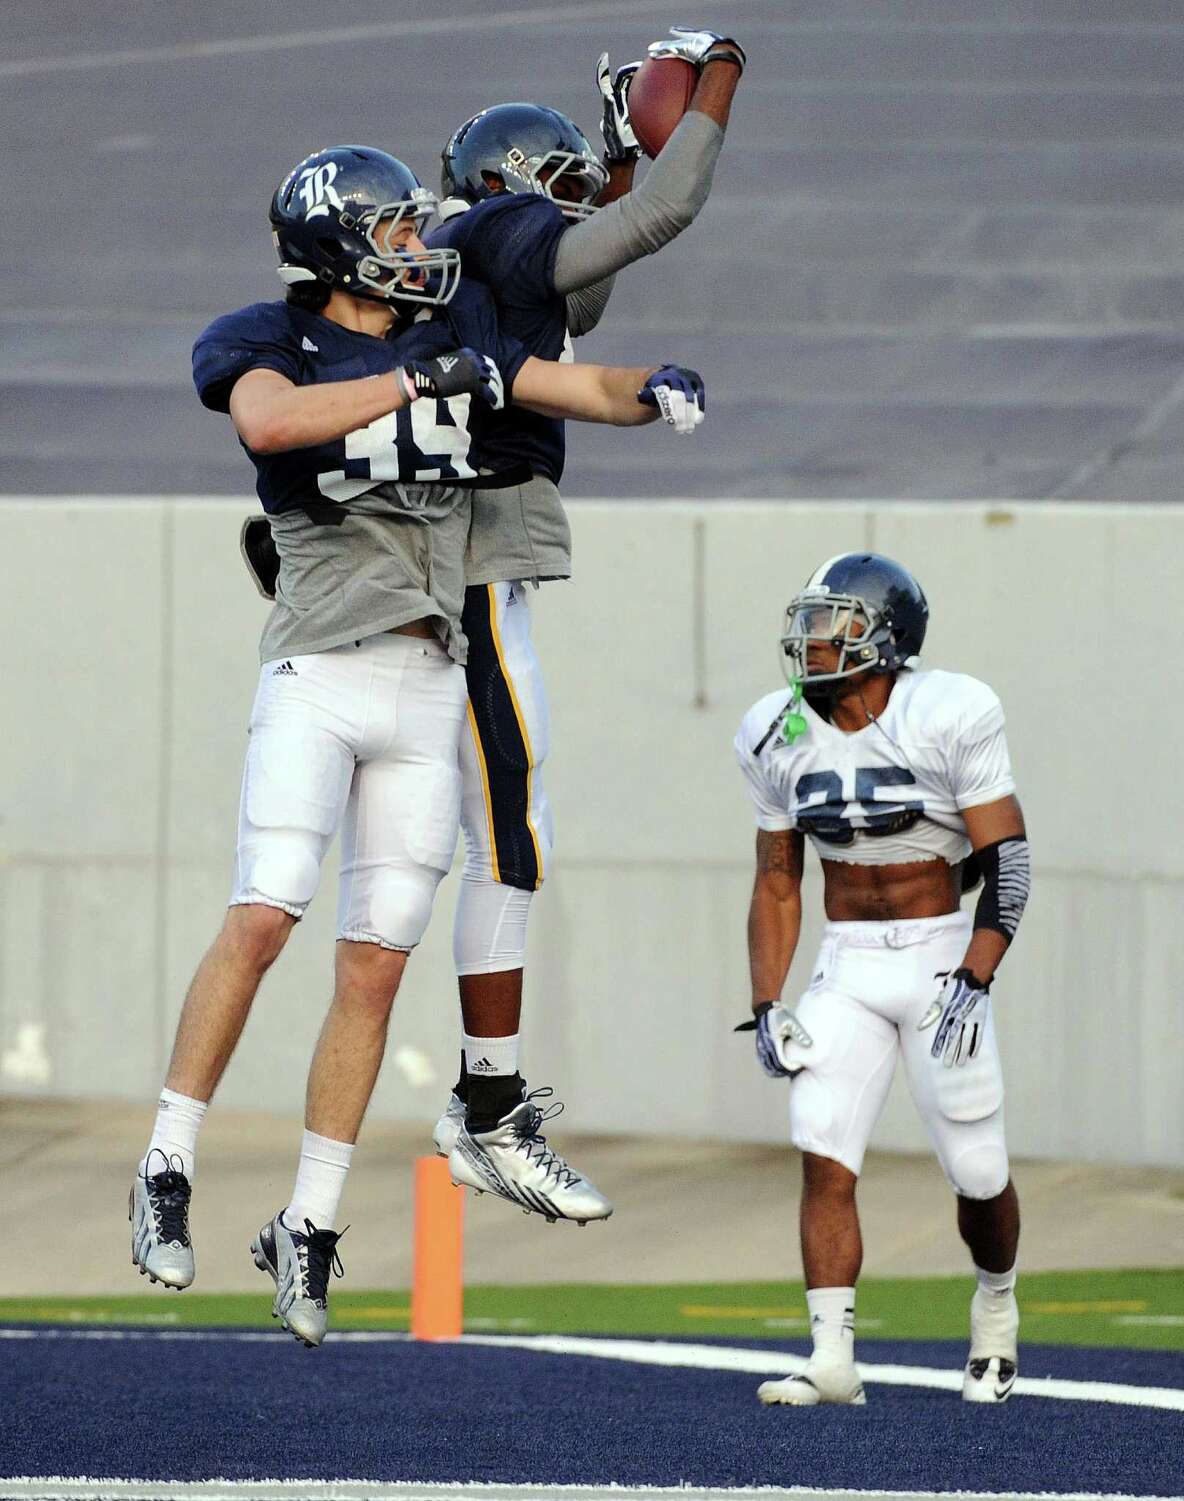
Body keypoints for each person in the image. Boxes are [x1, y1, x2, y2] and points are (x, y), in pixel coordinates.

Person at [128, 143, 704, 1345]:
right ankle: (167, 1162)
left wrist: (653, 388)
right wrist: (408, 383)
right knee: (266, 912)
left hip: (429, 678)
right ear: (335, 241)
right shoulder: (268, 336)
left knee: (378, 962)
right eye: (392, 228)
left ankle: (308, 1223)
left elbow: (567, 385)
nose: (416, 243)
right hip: (319, 668)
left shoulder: (448, 335)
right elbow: (270, 422)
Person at [422, 26, 745, 1210]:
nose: (571, 209)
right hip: (468, 569)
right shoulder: (496, 231)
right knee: (507, 836)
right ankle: (488, 1105)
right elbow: (655, 220)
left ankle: (464, 1109)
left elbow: (581, 307)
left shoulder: (468, 254)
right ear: (511, 186)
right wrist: (719, 81)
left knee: (408, 871)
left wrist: (609, 156)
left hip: (448, 564)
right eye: (556, 187)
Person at [733, 553, 1029, 1405]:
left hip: (939, 953)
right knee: (822, 1145)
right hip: (850, 959)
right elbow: (778, 879)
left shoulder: (949, 711)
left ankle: (997, 1307)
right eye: (811, 623)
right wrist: (767, 1000)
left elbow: (1007, 860)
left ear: (886, 637)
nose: (812, 641)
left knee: (977, 1168)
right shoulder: (776, 728)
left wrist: (976, 973)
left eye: (834, 624)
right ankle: (832, 1355)